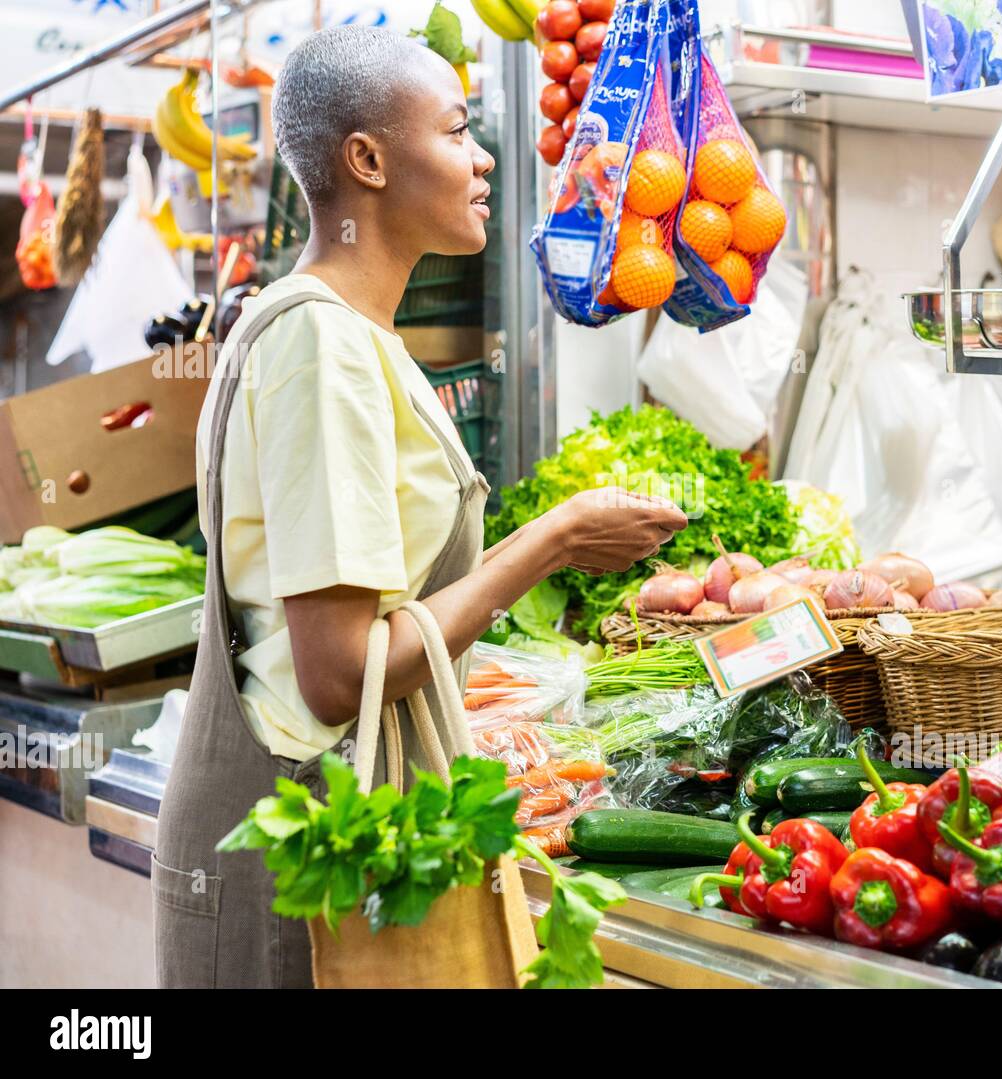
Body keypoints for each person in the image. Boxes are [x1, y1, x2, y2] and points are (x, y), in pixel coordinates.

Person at [152, 24, 686, 988]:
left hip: (323, 837)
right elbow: (337, 676)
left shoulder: (338, 333)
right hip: (295, 870)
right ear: (367, 160)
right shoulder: (323, 350)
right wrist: (553, 540)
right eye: (456, 130)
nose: (484, 157)